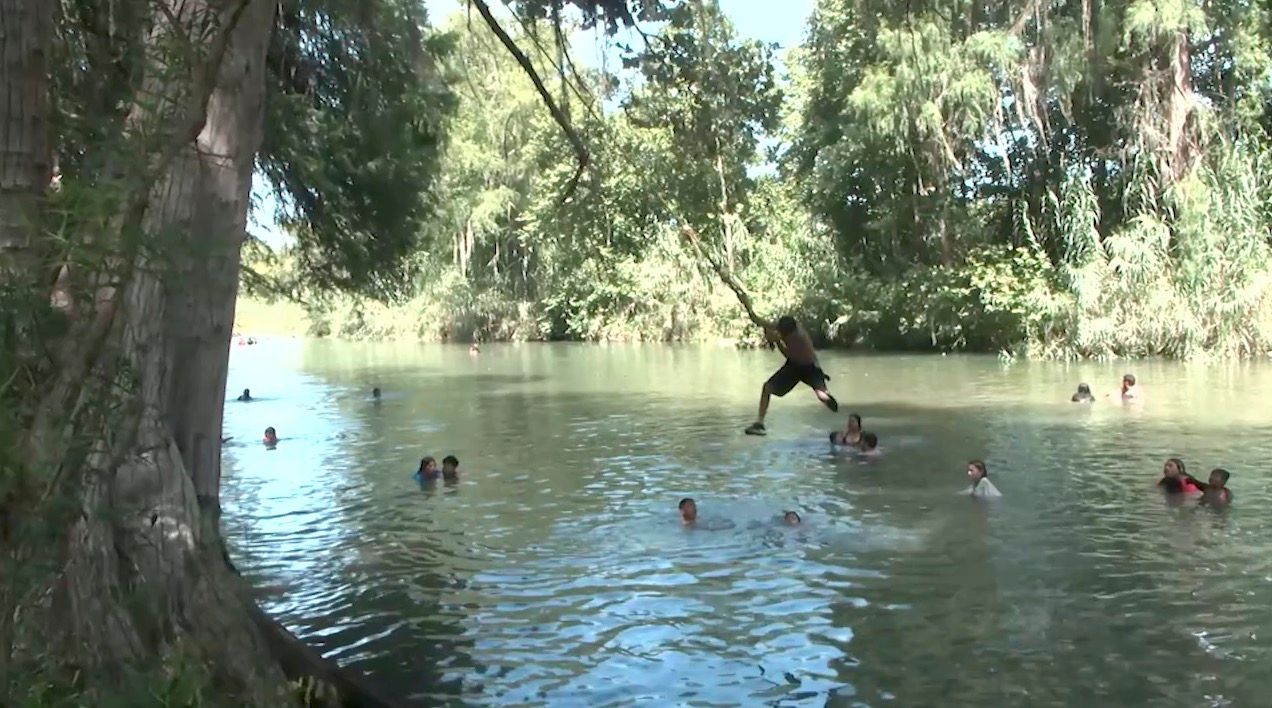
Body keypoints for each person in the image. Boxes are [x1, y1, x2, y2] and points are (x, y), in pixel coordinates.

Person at [745, 316, 838, 436]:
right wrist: (747, 305)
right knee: (767, 388)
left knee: (821, 395)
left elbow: (787, 354)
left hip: (807, 367)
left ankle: (760, 423)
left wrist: (775, 340)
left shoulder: (798, 338)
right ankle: (759, 424)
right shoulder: (793, 327)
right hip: (801, 366)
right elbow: (761, 322)